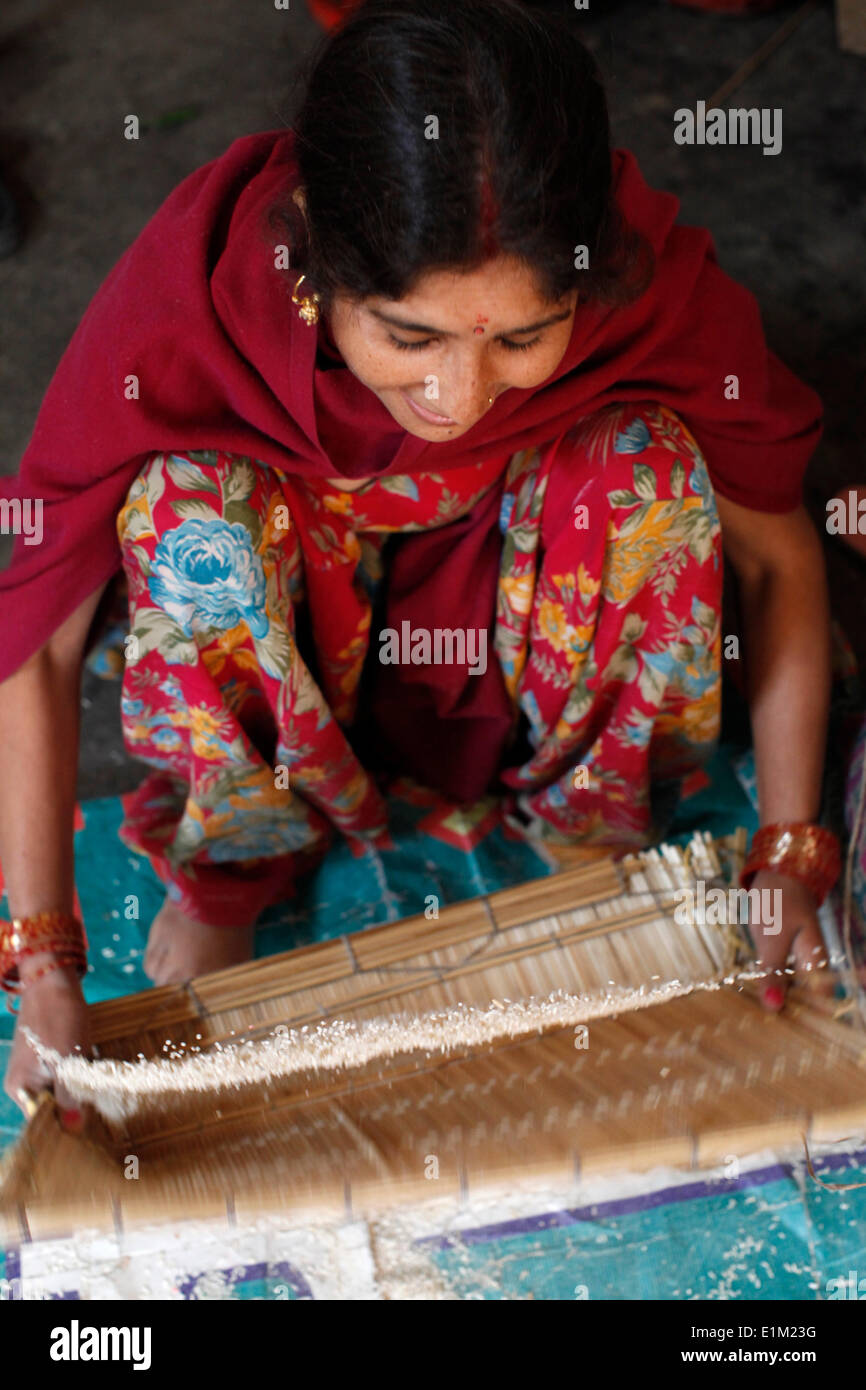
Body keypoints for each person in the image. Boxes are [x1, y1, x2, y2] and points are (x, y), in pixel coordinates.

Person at [0, 0, 840, 1118]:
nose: (458, 395)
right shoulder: (198, 295)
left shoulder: (634, 283)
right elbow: (37, 638)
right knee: (186, 508)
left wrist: (790, 849)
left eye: (520, 337)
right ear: (313, 263)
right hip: (297, 618)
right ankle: (241, 852)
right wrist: (46, 958)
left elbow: (776, 553)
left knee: (643, 462)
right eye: (409, 336)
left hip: (524, 594)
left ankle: (589, 815)